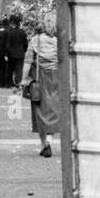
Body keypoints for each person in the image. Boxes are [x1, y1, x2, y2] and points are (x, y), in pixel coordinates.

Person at [20, 14, 60, 157]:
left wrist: (23, 79)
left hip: (39, 78)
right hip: (57, 78)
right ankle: (49, 140)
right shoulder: (60, 41)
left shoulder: (35, 40)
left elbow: (28, 61)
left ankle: (43, 144)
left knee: (39, 111)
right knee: (54, 110)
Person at [5, 15, 29, 85]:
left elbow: (8, 44)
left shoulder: (10, 32)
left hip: (11, 54)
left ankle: (9, 83)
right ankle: (18, 82)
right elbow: (25, 43)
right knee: (19, 69)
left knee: (10, 69)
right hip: (20, 53)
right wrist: (24, 50)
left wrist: (7, 53)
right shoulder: (22, 32)